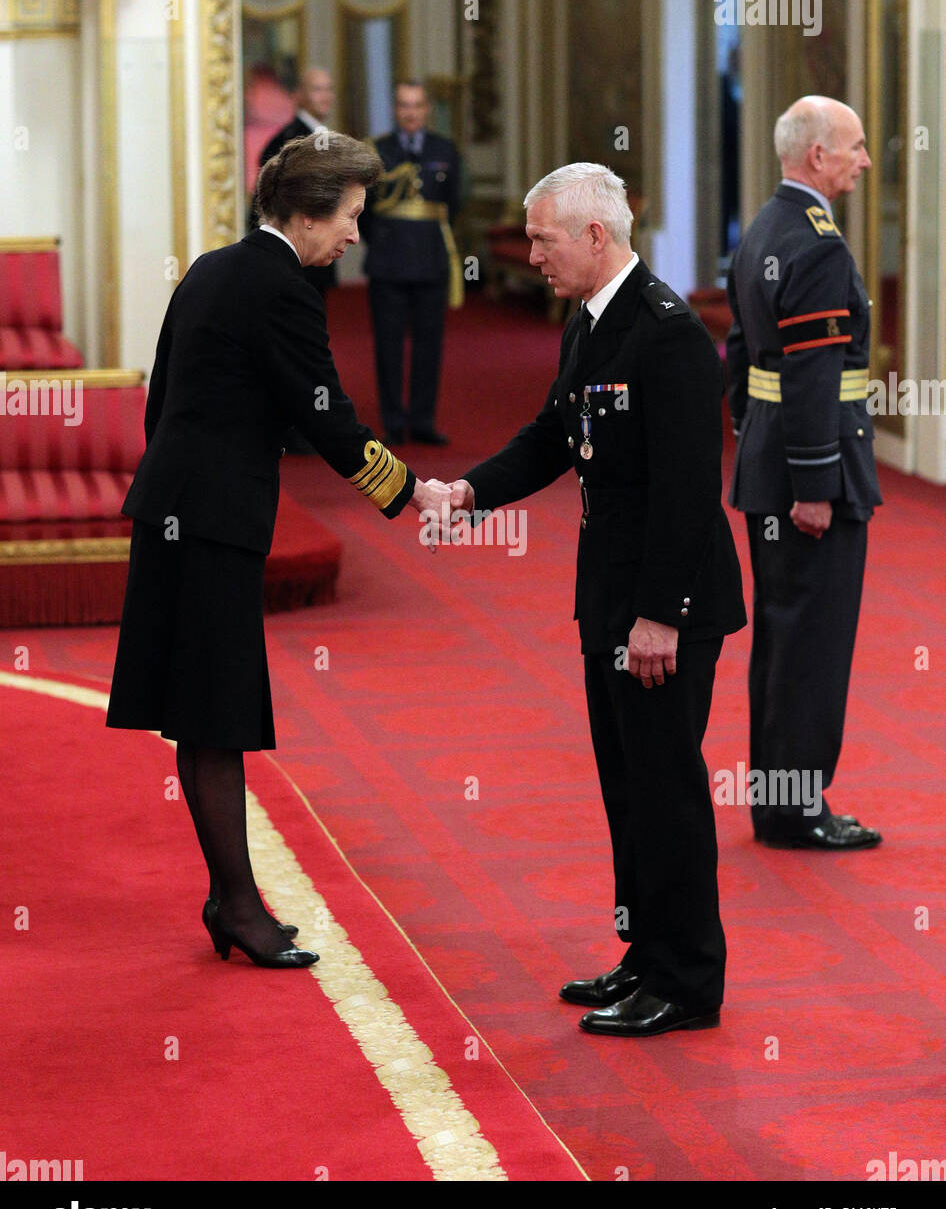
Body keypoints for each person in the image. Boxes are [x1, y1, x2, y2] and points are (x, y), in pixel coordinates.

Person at [107, 132, 448, 969]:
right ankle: (236, 907)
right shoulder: (283, 288)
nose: (356, 235)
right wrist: (411, 493)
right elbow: (327, 416)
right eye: (350, 217)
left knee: (202, 713)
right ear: (305, 213)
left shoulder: (212, 268)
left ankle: (233, 899)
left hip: (175, 512)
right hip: (212, 525)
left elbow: (161, 399)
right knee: (216, 714)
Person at [442, 163, 746, 1037]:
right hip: (610, 598)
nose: (532, 253)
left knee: (666, 789)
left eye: (543, 239)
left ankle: (688, 981)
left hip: (663, 609)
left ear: (594, 236)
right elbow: (553, 435)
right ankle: (646, 954)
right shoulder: (589, 321)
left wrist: (659, 616)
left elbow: (688, 491)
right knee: (628, 786)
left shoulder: (668, 333)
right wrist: (469, 492)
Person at [726, 96, 883, 850]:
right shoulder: (818, 245)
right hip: (813, 476)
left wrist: (749, 431)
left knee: (784, 639)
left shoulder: (764, 226)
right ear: (818, 155)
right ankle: (797, 810)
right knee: (812, 645)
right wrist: (816, 486)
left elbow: (739, 347)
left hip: (771, 463)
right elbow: (816, 374)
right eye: (855, 146)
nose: (865, 160)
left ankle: (779, 802)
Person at [360, 80, 462, 447]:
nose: (411, 112)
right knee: (388, 346)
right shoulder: (376, 151)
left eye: (417, 105)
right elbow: (364, 209)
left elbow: (454, 204)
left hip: (431, 262)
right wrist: (382, 241)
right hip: (387, 263)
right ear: (395, 110)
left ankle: (422, 421)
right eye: (404, 105)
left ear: (427, 110)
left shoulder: (445, 149)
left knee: (428, 345)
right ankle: (391, 422)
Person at [250, 68, 338, 302]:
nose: (325, 96)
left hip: (313, 251)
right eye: (317, 89)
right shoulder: (292, 140)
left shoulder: (319, 137)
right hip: (297, 254)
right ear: (298, 95)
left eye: (329, 89)